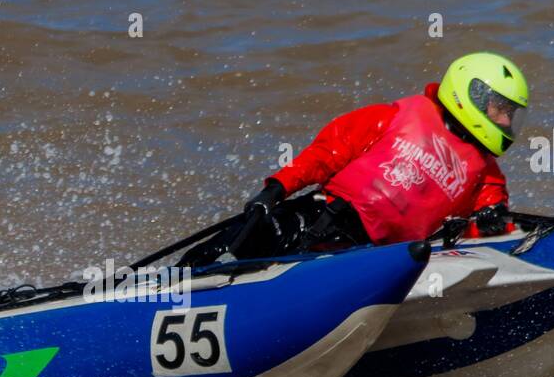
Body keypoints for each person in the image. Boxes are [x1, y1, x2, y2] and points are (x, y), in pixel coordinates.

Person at [225, 52, 528, 259]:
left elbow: (482, 233)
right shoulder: (395, 116)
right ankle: (181, 288)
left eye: (510, 114)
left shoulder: (487, 178)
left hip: (375, 259)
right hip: (320, 220)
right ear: (472, 95)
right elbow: (324, 155)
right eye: (500, 109)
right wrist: (275, 190)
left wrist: (492, 224)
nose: (505, 122)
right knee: (234, 241)